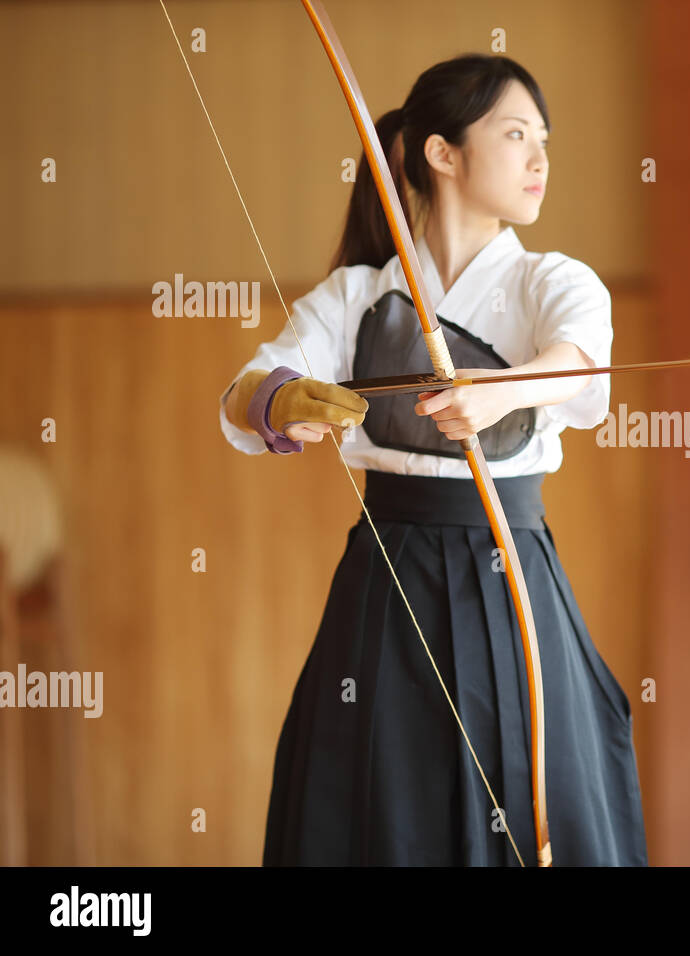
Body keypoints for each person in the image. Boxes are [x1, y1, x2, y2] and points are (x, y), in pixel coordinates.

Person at [217, 53, 647, 866]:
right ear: (442, 154)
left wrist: (504, 392)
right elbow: (242, 390)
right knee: (381, 798)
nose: (539, 160)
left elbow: (582, 360)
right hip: (389, 572)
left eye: (544, 140)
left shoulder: (551, 282)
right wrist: (284, 401)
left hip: (512, 571)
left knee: (534, 792)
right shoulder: (357, 296)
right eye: (515, 135)